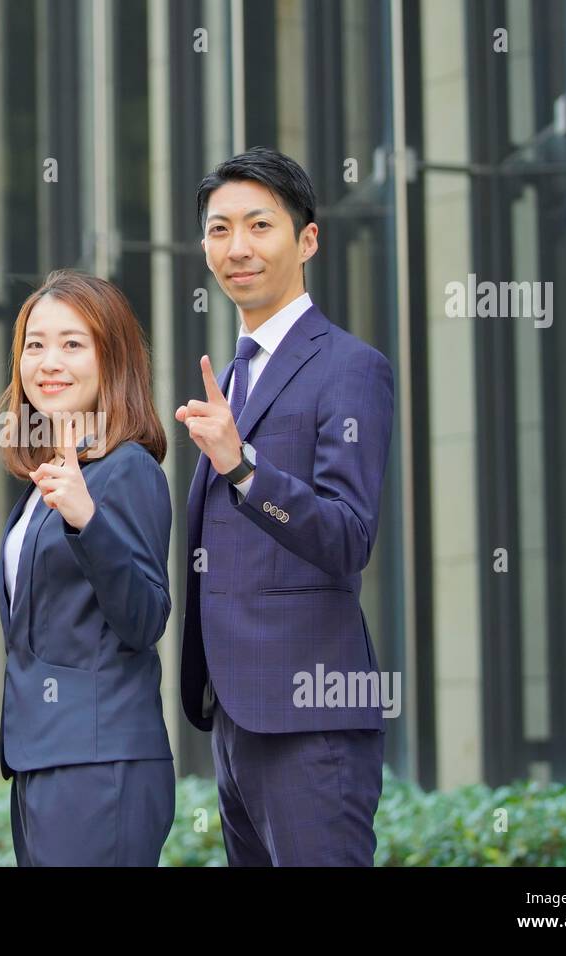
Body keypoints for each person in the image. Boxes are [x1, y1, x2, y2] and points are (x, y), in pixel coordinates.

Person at [176, 147, 395, 866]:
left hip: (312, 717)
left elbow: (348, 536)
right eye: (218, 229)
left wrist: (243, 467)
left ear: (307, 239)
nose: (236, 247)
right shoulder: (234, 375)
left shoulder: (349, 367)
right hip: (239, 720)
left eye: (259, 225)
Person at [0, 270, 174, 866]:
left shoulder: (128, 470)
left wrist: (85, 520)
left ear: (110, 359)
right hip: (42, 760)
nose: (50, 361)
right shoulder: (52, 478)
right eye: (35, 344)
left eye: (73, 344)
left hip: (100, 764)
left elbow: (146, 616)